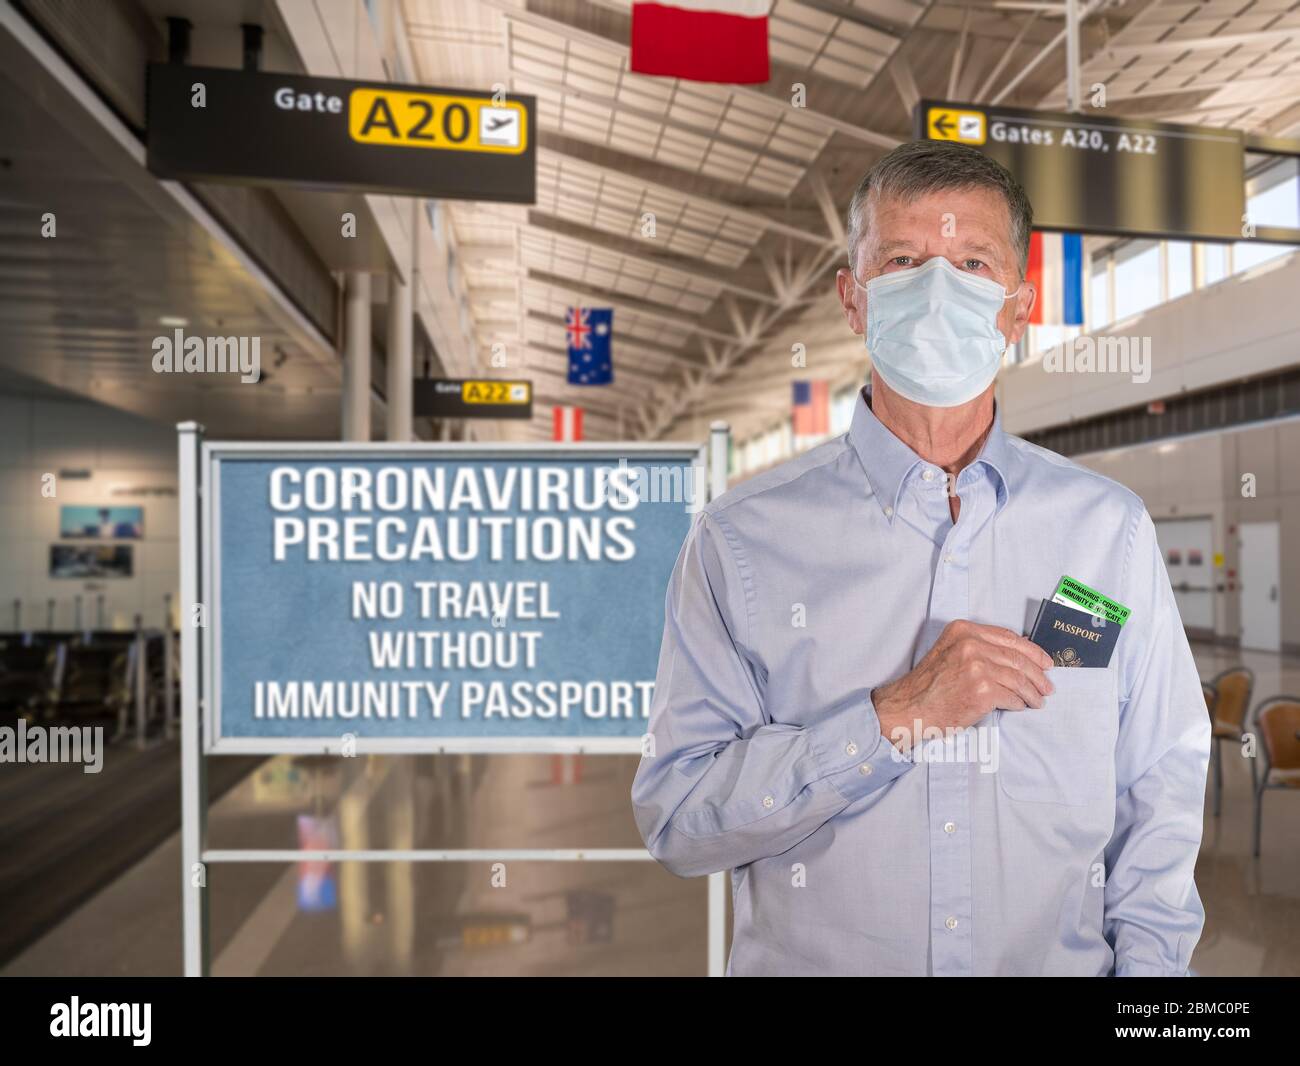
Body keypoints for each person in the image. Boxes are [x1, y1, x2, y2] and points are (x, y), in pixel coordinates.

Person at [631, 140, 1210, 977]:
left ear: (1018, 308)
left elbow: (1160, 779)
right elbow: (679, 819)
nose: (940, 290)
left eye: (973, 263)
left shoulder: (1105, 531)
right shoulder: (740, 541)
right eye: (904, 261)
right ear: (854, 300)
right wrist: (893, 718)